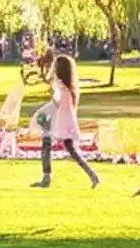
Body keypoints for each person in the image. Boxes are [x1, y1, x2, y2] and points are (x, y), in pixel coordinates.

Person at [31, 55, 100, 189]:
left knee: (47, 143)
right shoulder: (69, 88)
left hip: (60, 120)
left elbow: (56, 103)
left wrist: (42, 115)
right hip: (65, 120)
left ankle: (47, 176)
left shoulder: (61, 86)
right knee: (70, 150)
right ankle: (92, 175)